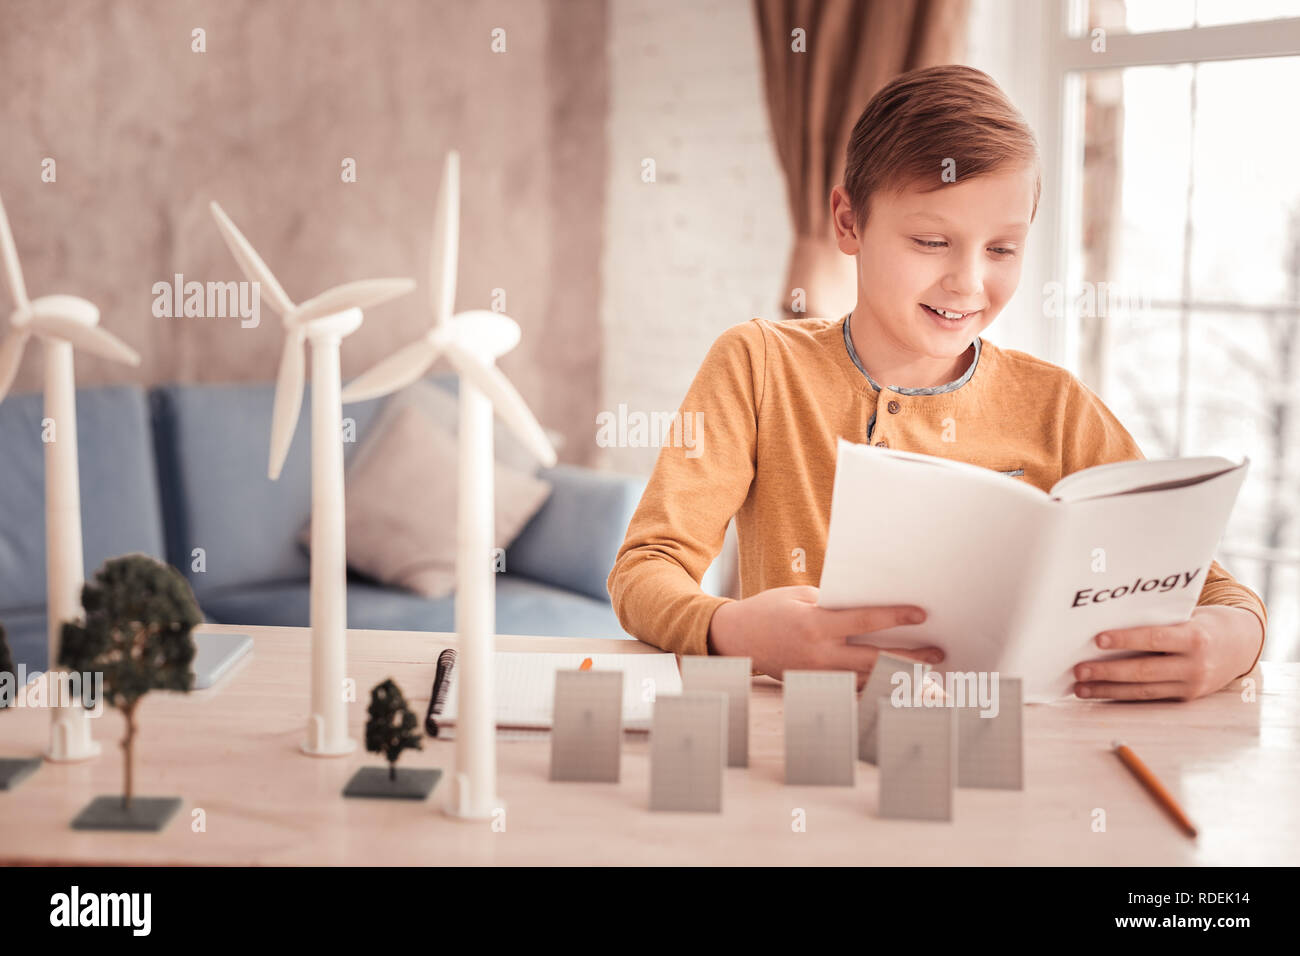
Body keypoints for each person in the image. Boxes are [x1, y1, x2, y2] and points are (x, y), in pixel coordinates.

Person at [606, 65, 1266, 701]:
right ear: (848, 222)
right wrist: (736, 631)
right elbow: (645, 569)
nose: (968, 283)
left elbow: (1218, 594)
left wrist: (1226, 643)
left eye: (1002, 250)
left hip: (1014, 767)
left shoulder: (1058, 408)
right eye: (930, 241)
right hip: (809, 757)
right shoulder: (758, 365)